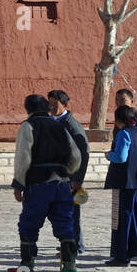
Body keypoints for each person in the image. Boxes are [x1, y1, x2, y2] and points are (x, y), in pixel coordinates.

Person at [10, 94, 82, 272]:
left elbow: (22, 158)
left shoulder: (28, 126)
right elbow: (76, 155)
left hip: (38, 185)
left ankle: (27, 267)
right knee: (65, 223)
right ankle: (69, 268)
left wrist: (19, 184)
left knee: (29, 223)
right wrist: (66, 172)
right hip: (62, 185)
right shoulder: (60, 126)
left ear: (28, 109)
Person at [102, 106, 137, 267]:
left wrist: (108, 155)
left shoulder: (123, 133)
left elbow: (120, 157)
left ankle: (122, 255)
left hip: (125, 183)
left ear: (118, 119)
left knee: (123, 219)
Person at [48, 89, 89, 255]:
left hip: (71, 177)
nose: (51, 107)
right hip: (58, 176)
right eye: (49, 103)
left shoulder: (72, 125)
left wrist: (78, 178)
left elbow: (84, 153)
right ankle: (68, 241)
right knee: (62, 211)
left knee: (73, 212)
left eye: (54, 104)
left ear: (64, 104)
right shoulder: (52, 121)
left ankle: (76, 245)